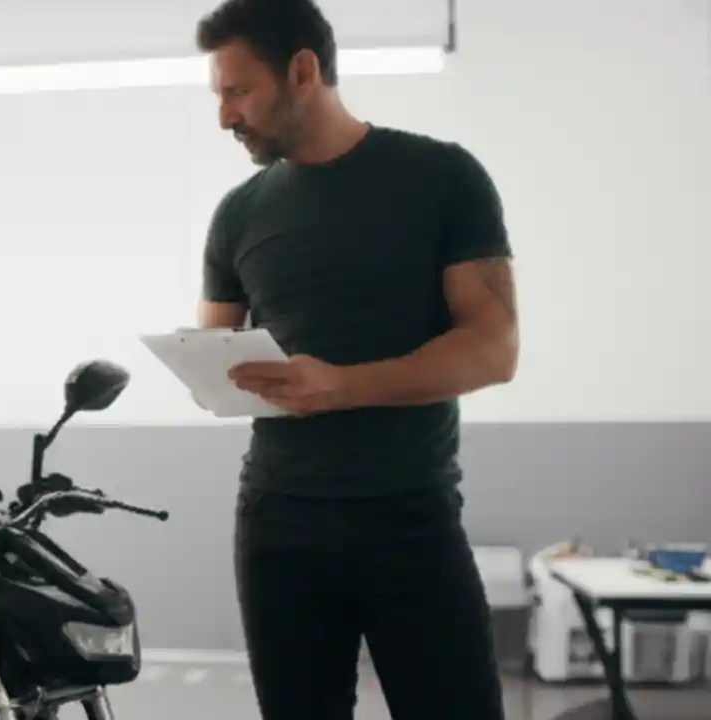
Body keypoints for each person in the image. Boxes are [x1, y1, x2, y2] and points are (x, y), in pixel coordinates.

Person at [193, 1, 519, 718]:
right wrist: (212, 377)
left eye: (236, 90)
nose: (224, 116)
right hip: (277, 523)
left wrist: (341, 387)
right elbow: (214, 351)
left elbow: (494, 348)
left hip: (410, 516)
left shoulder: (442, 177)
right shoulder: (237, 214)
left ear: (302, 71)